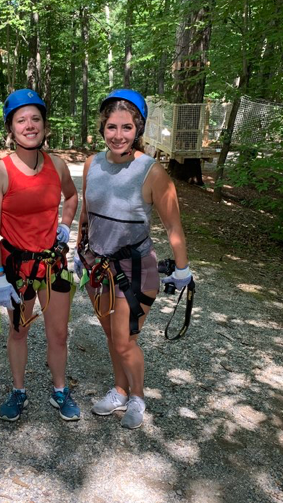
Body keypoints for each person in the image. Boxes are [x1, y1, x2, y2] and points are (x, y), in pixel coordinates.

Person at [74, 89, 192, 429]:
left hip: (133, 269)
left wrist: (182, 269)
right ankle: (120, 390)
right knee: (112, 335)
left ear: (137, 129)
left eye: (127, 127)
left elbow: (173, 225)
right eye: (112, 127)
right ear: (102, 127)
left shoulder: (152, 173)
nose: (118, 135)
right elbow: (87, 212)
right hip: (97, 266)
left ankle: (138, 397)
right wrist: (79, 251)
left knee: (125, 339)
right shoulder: (92, 164)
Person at [0, 89, 80, 422]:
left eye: (35, 118)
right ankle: (19, 391)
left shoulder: (57, 165)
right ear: (10, 129)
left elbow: (71, 197)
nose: (29, 125)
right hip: (18, 268)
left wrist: (65, 225)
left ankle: (59, 390)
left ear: (44, 125)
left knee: (59, 333)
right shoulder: (0, 172)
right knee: (19, 331)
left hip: (53, 265)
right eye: (21, 120)